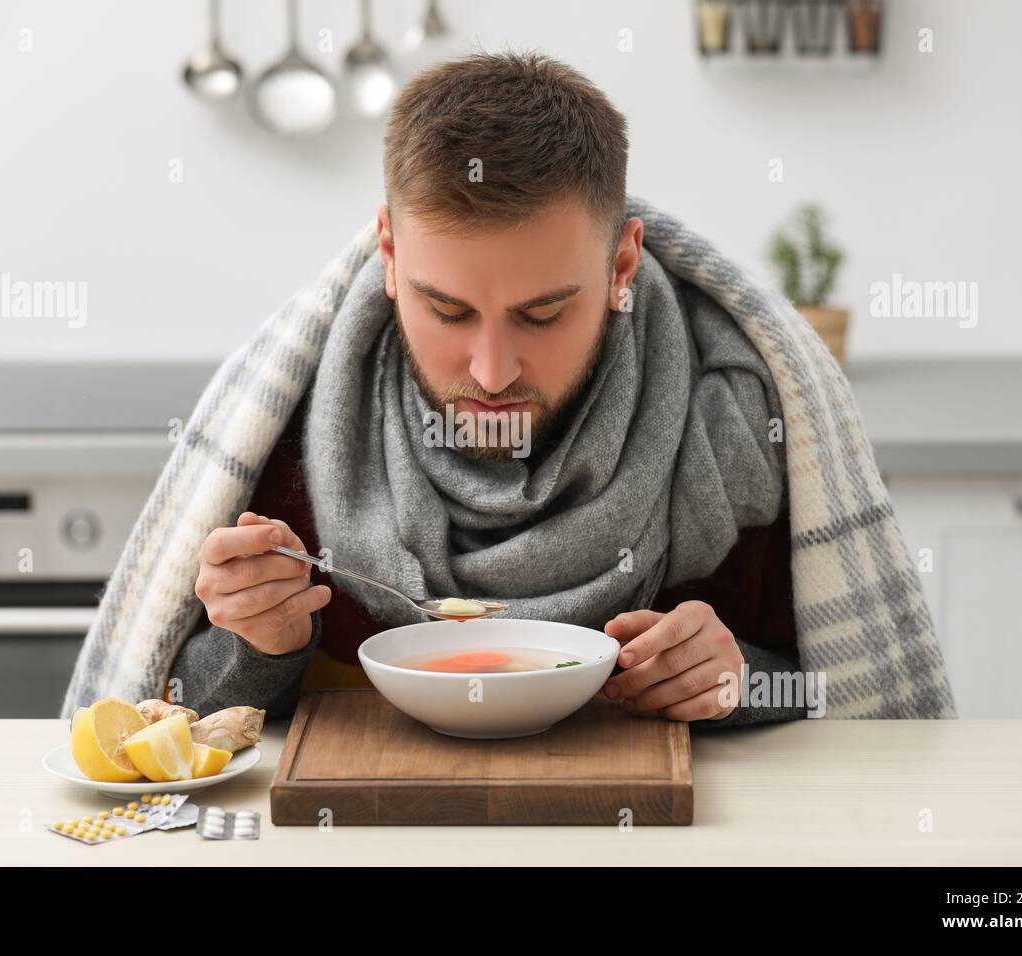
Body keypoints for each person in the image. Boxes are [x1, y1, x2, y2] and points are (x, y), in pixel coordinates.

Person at [170, 51, 810, 729]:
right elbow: (173, 714)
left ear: (621, 264)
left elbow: (850, 690)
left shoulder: (739, 425)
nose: (493, 372)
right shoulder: (283, 435)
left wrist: (740, 679)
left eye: (543, 315)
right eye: (448, 311)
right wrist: (256, 646)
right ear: (388, 255)